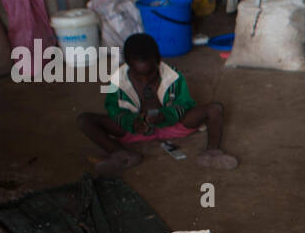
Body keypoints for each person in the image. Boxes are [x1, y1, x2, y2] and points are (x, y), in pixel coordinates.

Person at [77, 32, 238, 174]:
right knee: (85, 120)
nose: (145, 80)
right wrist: (131, 122)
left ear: (159, 61)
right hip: (134, 130)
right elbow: (113, 109)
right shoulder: (116, 80)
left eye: (151, 73)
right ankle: (122, 155)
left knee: (215, 109)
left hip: (173, 126)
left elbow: (185, 104)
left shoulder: (173, 76)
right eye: (138, 76)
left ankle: (211, 152)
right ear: (127, 64)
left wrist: (166, 115)